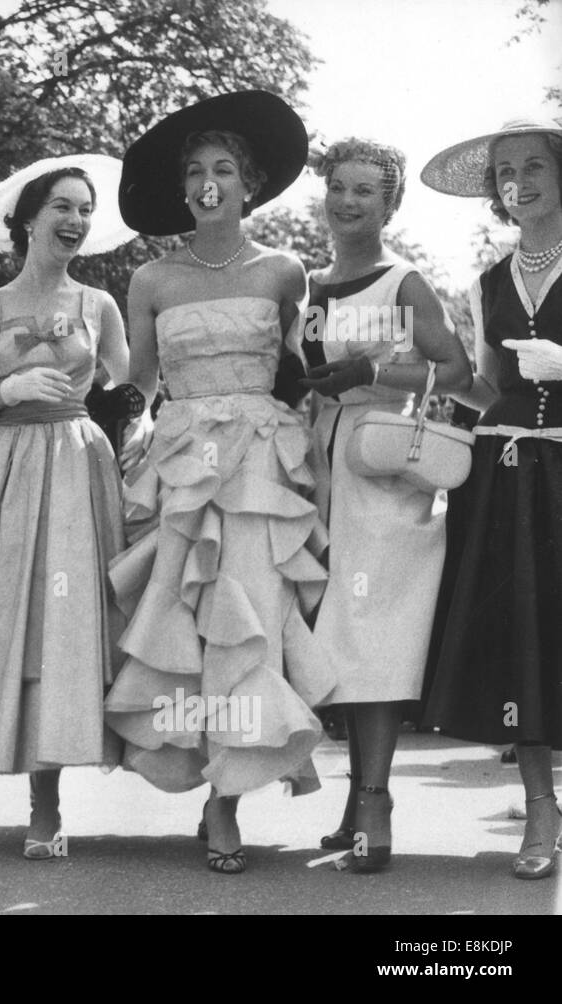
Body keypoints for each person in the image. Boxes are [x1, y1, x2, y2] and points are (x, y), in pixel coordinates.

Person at [106, 91, 333, 874]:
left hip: (261, 463)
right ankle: (201, 775)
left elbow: (302, 372)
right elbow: (135, 381)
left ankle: (225, 801)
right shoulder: (150, 279)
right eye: (196, 171)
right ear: (183, 188)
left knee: (248, 621)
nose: (209, 182)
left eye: (224, 169)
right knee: (183, 624)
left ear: (250, 183)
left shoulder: (284, 271)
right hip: (181, 460)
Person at [0, 154, 139, 859]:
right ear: (26, 221)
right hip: (10, 466)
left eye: (84, 208)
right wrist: (3, 395)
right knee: (20, 617)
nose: (76, 220)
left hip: (81, 466)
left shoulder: (100, 305)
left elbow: (131, 387)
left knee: (74, 620)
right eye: (62, 206)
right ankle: (41, 802)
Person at [297, 139, 472, 872]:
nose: (348, 201)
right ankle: (352, 800)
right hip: (323, 466)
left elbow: (456, 369)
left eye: (366, 191)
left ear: (390, 205)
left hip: (383, 467)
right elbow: (308, 368)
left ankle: (375, 801)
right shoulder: (310, 285)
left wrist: (373, 366)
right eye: (339, 187)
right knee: (336, 636)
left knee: (374, 638)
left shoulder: (404, 283)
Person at [420, 117, 562, 879]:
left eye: (535, 165)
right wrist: (439, 374)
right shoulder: (483, 283)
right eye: (506, 171)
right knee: (522, 645)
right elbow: (484, 388)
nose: (520, 180)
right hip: (505, 470)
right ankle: (542, 809)